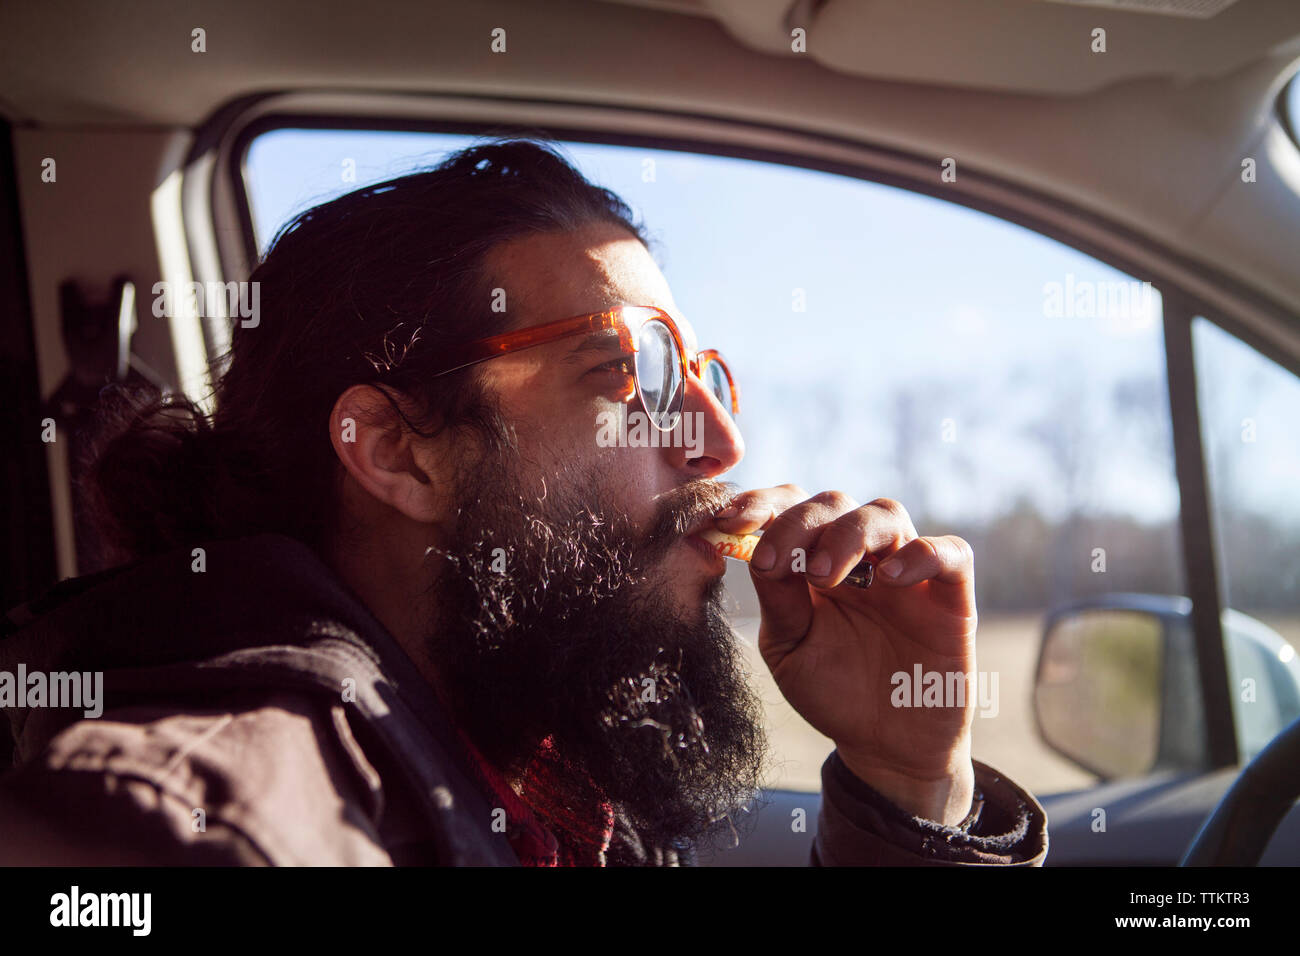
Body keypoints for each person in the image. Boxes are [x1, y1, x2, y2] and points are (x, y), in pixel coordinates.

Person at [0, 139, 1047, 866]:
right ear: (400, 451)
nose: (720, 443)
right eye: (626, 372)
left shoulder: (547, 752)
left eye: (705, 379)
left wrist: (906, 780)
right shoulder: (221, 803)